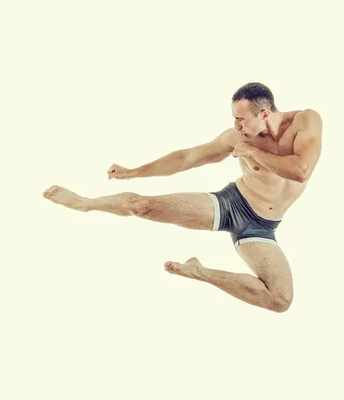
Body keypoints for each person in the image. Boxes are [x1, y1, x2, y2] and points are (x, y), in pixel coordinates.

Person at [43, 82, 323, 313]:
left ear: (264, 114)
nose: (236, 126)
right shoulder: (235, 138)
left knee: (280, 300)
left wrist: (253, 152)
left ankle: (198, 271)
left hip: (262, 227)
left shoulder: (305, 121)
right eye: (233, 119)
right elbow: (187, 158)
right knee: (142, 206)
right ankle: (85, 204)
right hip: (231, 204)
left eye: (241, 119)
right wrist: (134, 172)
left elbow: (300, 170)